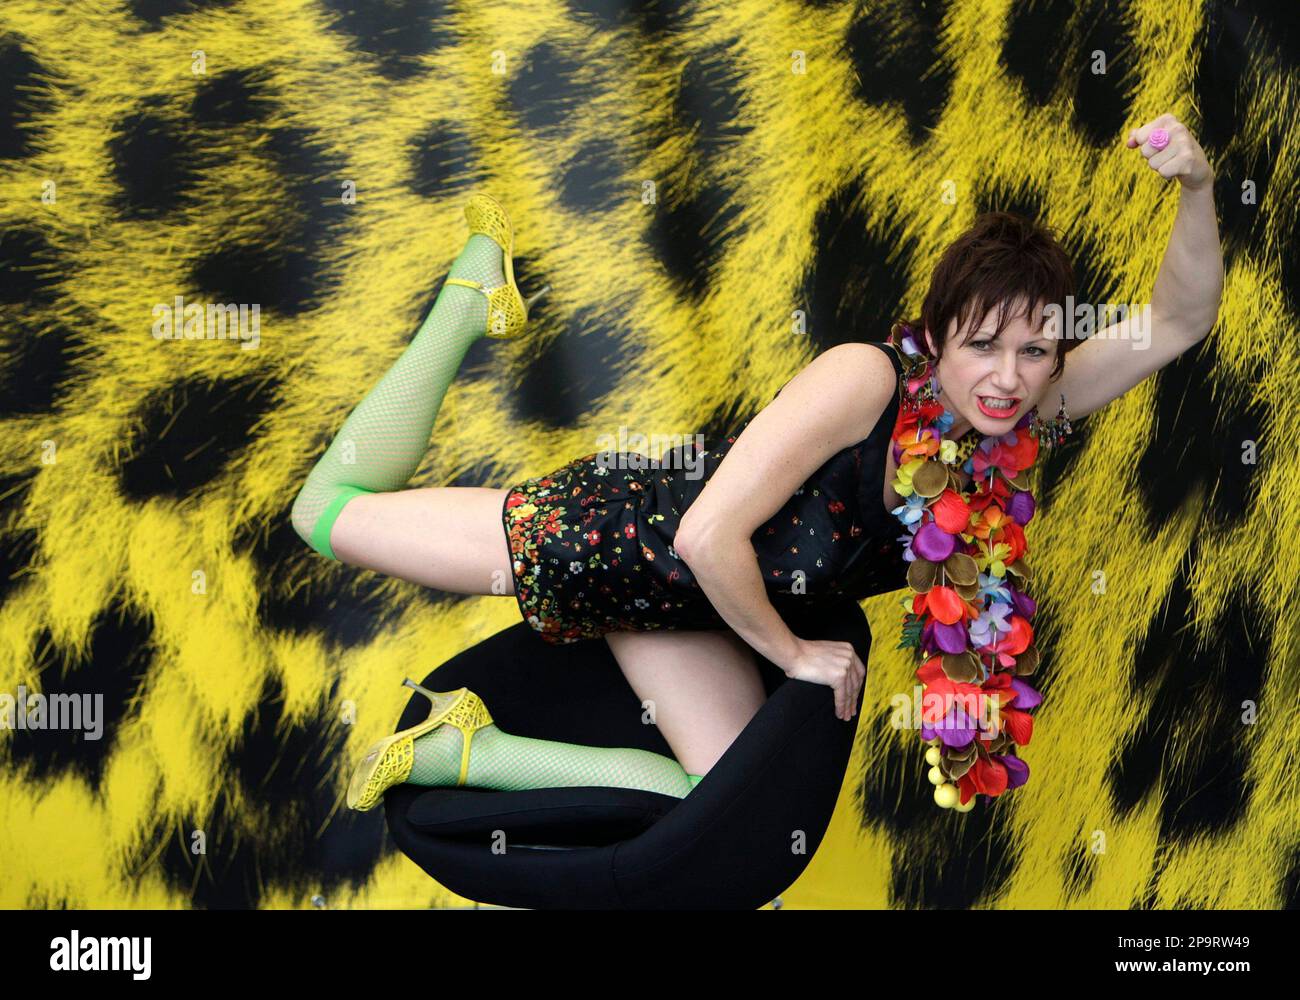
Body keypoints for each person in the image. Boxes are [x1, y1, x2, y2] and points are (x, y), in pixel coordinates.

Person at [291, 114, 1223, 812]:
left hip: (686, 603)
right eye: (983, 346)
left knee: (721, 806)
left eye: (1033, 354)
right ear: (937, 337)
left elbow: (1177, 321)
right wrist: (791, 655)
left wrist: (1196, 187)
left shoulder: (1019, 419)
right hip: (608, 541)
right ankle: (469, 291)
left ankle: (474, 751)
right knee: (324, 511)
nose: (1007, 378)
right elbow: (704, 532)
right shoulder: (865, 379)